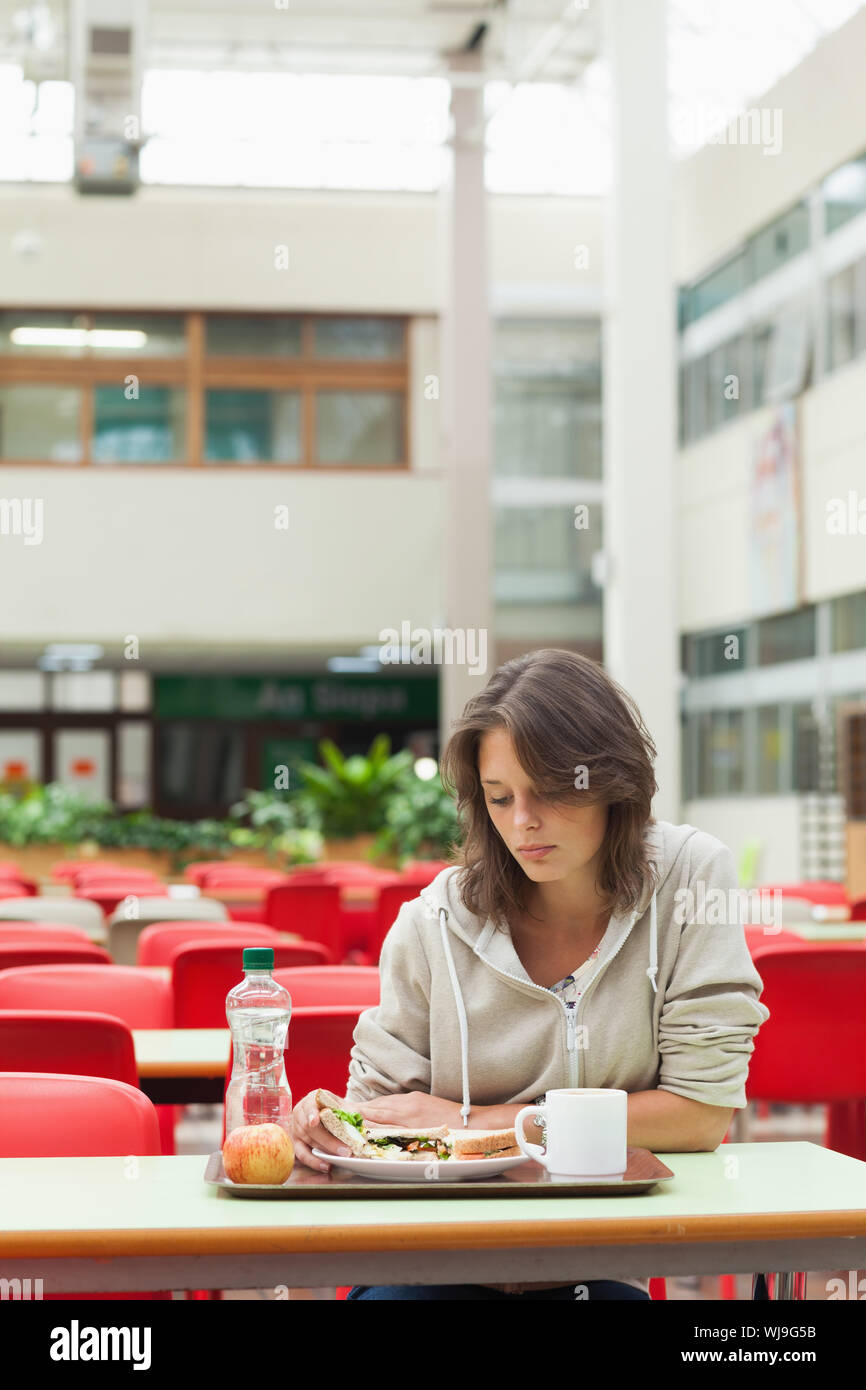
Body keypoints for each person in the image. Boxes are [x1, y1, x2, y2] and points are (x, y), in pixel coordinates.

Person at [291, 648, 770, 1300]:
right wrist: (329, 1126)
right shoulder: (431, 922)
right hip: (435, 1259)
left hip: (595, 1261)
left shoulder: (689, 879)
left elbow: (700, 1115)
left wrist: (479, 1120)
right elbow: (379, 1124)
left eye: (548, 790)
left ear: (611, 779)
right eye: (500, 797)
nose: (523, 822)